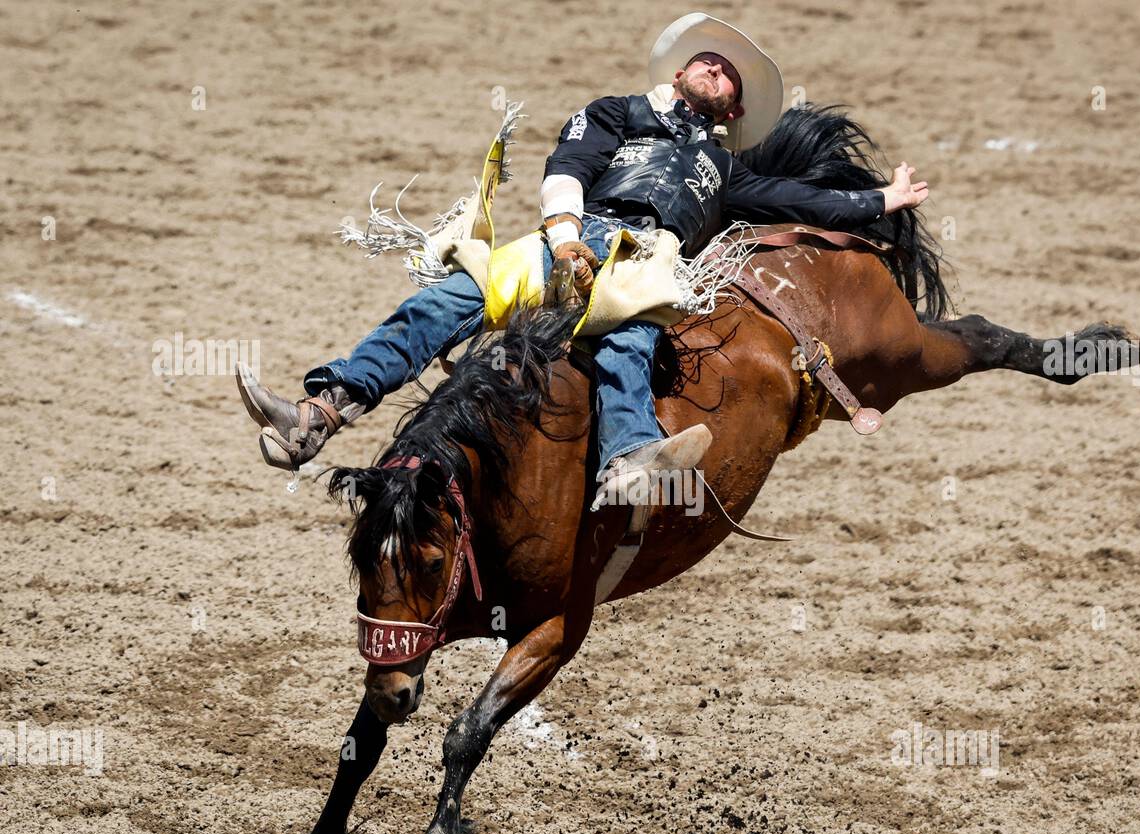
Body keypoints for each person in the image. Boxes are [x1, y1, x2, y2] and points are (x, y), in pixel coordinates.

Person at [236, 12, 929, 508]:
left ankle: (625, 461)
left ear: (733, 106)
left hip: (647, 258)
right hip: (567, 238)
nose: (715, 67)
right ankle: (320, 413)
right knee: (447, 301)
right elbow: (567, 166)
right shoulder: (614, 113)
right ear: (682, 72)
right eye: (706, 59)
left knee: (632, 333)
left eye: (727, 74)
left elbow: (799, 199)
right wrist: (565, 238)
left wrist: (881, 200)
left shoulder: (726, 171)